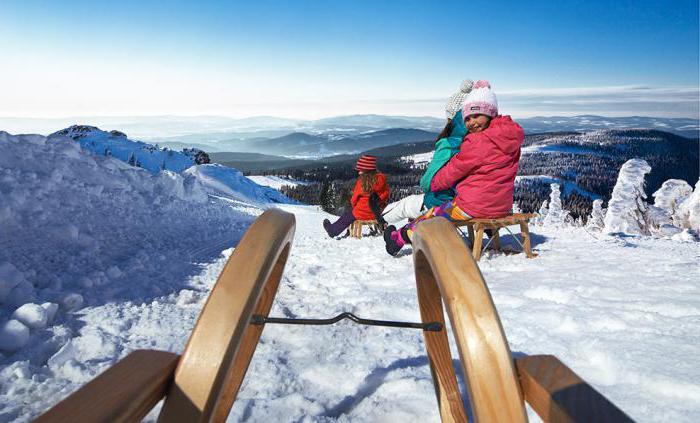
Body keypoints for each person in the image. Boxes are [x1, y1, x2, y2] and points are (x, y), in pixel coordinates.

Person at [384, 80, 524, 255]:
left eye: (476, 116)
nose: (472, 122)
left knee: (431, 216)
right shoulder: (510, 139)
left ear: (491, 115)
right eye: (467, 118)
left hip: (473, 205)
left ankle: (399, 238)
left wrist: (435, 183)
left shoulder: (477, 141)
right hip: (502, 205)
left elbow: (455, 169)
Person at [381, 80, 473, 224]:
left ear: (453, 118)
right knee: (413, 205)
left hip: (445, 203)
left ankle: (381, 223)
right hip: (471, 202)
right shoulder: (479, 142)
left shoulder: (450, 145)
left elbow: (426, 182)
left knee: (406, 205)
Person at [323, 155, 391, 237]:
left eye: (361, 170)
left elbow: (354, 199)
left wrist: (355, 206)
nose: (359, 172)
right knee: (351, 213)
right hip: (377, 212)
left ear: (366, 170)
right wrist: (381, 203)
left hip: (361, 212)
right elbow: (386, 194)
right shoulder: (382, 179)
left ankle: (332, 230)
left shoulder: (361, 182)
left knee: (346, 217)